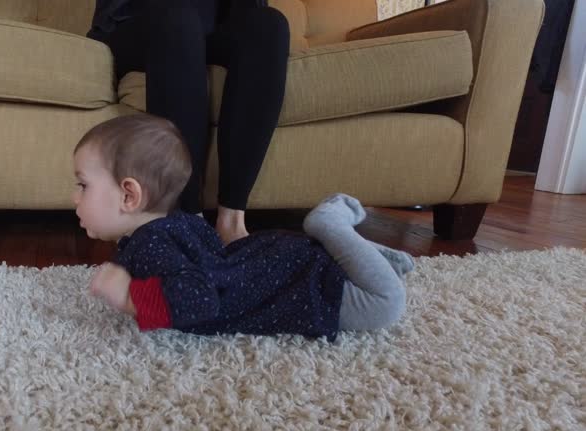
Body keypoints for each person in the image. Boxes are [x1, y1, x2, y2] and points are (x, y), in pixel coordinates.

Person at [72, 114, 414, 341]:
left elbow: (200, 299)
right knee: (361, 274)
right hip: (293, 262)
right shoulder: (177, 226)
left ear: (129, 194)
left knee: (387, 304)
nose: (74, 197)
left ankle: (332, 223)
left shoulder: (150, 246)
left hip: (310, 289)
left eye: (83, 185)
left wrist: (130, 298)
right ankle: (368, 255)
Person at [87, 0, 290, 245]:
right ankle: (187, 218)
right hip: (140, 23)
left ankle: (232, 219)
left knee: (269, 24)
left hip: (211, 25)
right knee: (178, 19)